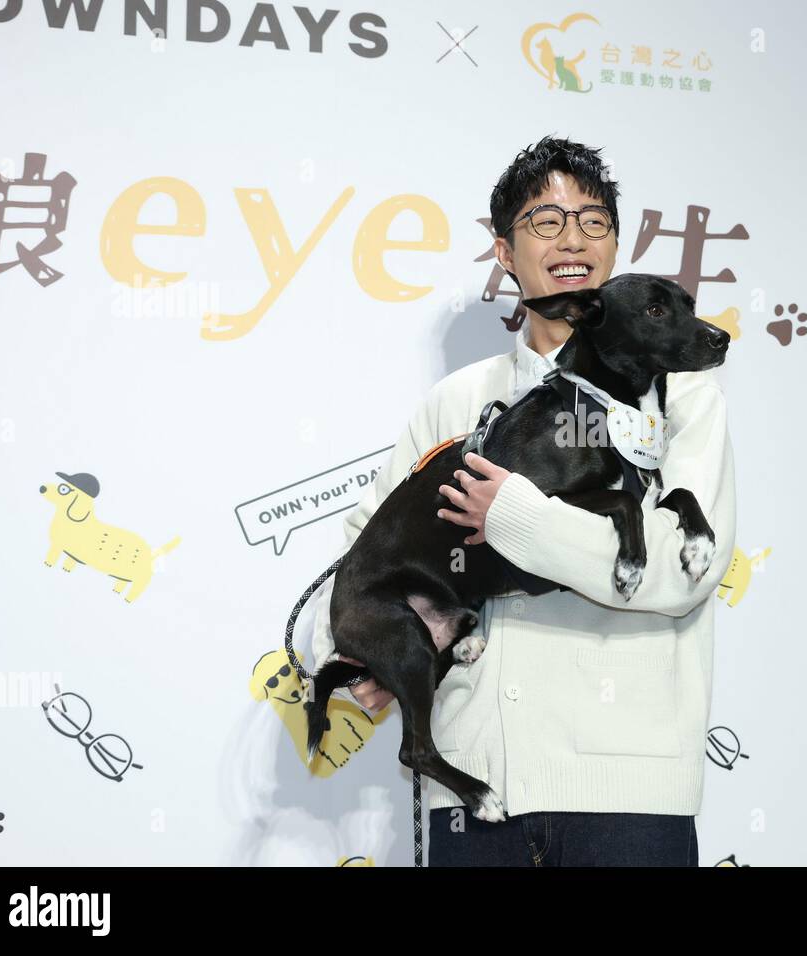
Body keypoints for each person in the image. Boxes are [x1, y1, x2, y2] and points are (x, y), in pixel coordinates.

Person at [307, 134, 737, 866]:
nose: (573, 239)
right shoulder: (458, 402)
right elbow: (362, 557)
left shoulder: (684, 395)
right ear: (505, 252)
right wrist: (365, 654)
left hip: (629, 802)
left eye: (593, 220)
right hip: (476, 801)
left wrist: (514, 515)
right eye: (546, 220)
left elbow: (683, 569)